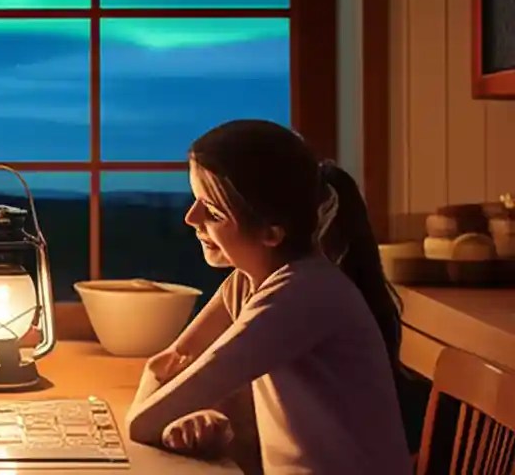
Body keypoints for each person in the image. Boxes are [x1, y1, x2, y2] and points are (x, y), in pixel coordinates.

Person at [124, 119, 412, 475]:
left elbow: (142, 422)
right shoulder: (246, 283)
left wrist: (167, 417)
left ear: (271, 232)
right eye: (195, 200)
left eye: (212, 211)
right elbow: (170, 363)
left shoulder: (302, 295)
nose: (191, 217)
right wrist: (190, 416)